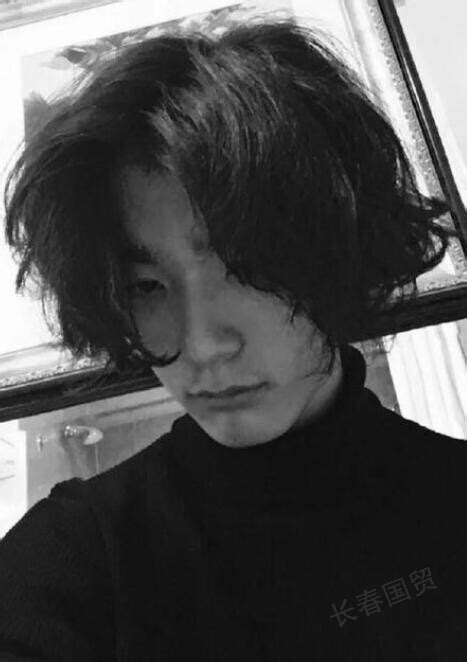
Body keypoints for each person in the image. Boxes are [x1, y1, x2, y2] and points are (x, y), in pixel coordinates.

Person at [0, 14, 466, 662]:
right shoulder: (74, 564)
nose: (203, 344)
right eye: (147, 286)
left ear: (338, 247)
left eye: (247, 267)